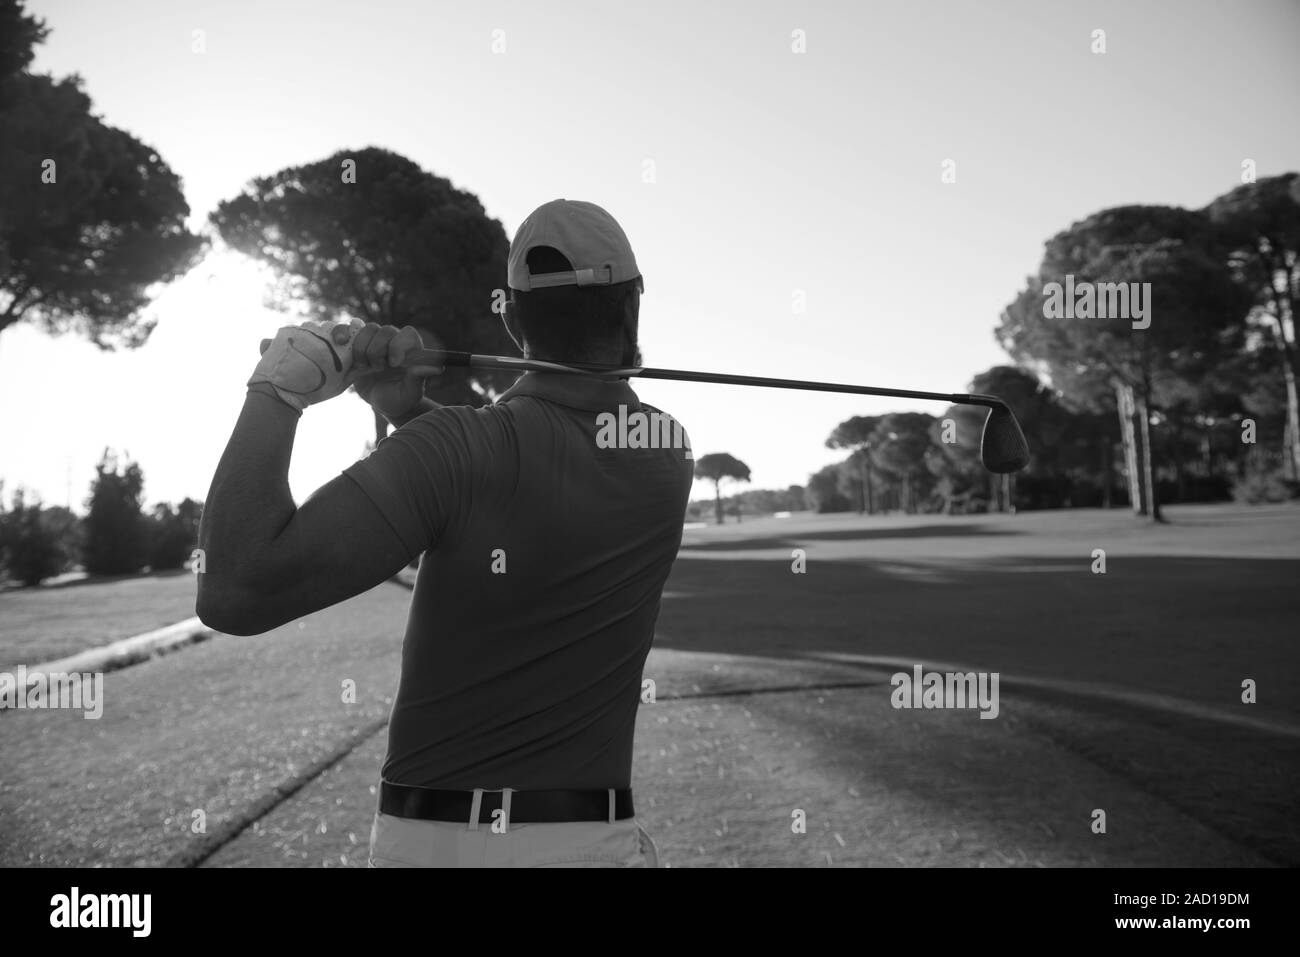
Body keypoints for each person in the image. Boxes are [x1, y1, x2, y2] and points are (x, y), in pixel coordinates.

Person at [197, 199, 693, 867]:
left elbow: (234, 589)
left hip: (427, 846)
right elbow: (530, 463)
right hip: (588, 840)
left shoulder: (455, 451)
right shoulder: (665, 453)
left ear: (514, 321)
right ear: (633, 307)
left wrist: (278, 388)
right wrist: (416, 415)